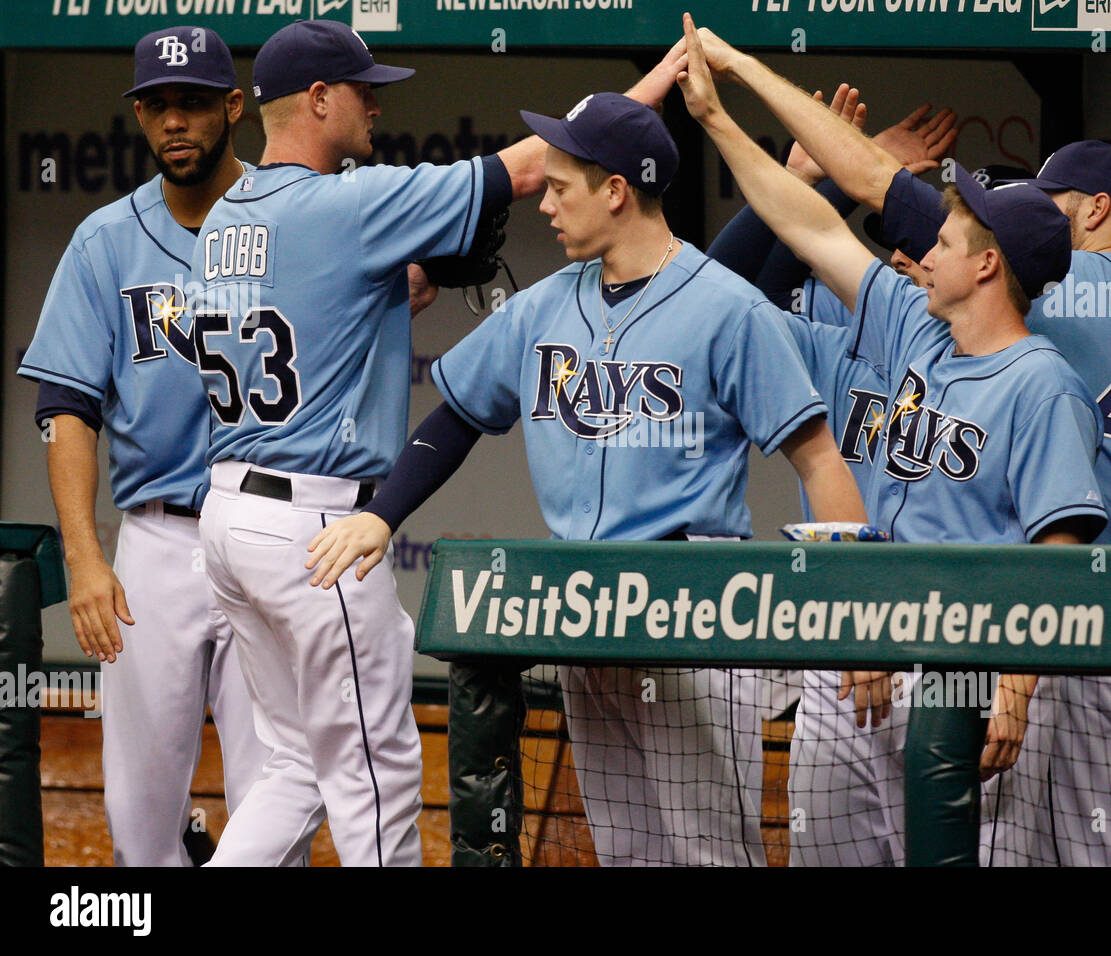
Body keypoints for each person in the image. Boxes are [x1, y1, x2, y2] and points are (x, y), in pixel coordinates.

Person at [712, 66, 1111, 862]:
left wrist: (784, 123)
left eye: (948, 237)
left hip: (1045, 643)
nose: (926, 248)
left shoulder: (1046, 305)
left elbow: (868, 193)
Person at [303, 90, 868, 866]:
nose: (547, 206)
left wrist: (852, 614)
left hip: (693, 609)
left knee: (710, 855)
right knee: (627, 851)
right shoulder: (543, 308)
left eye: (562, 186)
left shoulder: (727, 308)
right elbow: (459, 414)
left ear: (615, 190)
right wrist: (383, 515)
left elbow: (819, 456)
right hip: (584, 607)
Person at [189, 21, 686, 866]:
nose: (376, 101)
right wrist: (651, 88)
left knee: (296, 765)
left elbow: (330, 313)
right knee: (377, 772)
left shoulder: (223, 216)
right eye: (361, 88)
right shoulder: (346, 199)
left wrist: (410, 279)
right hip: (315, 533)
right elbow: (532, 167)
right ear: (316, 100)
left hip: (230, 516)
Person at [675, 14, 1110, 865]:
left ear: (988, 266)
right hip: (854, 652)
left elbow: (1058, 554)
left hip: (970, 669)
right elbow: (811, 224)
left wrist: (1018, 687)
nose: (927, 246)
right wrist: (719, 119)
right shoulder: (910, 319)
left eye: (947, 238)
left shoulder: (1044, 382)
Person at [18, 26, 268, 867]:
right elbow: (68, 408)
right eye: (156, 105)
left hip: (272, 531)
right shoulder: (103, 241)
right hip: (156, 539)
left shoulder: (291, 220)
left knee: (273, 799)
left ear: (233, 107)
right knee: (138, 811)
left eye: (193, 102)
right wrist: (87, 560)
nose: (174, 122)